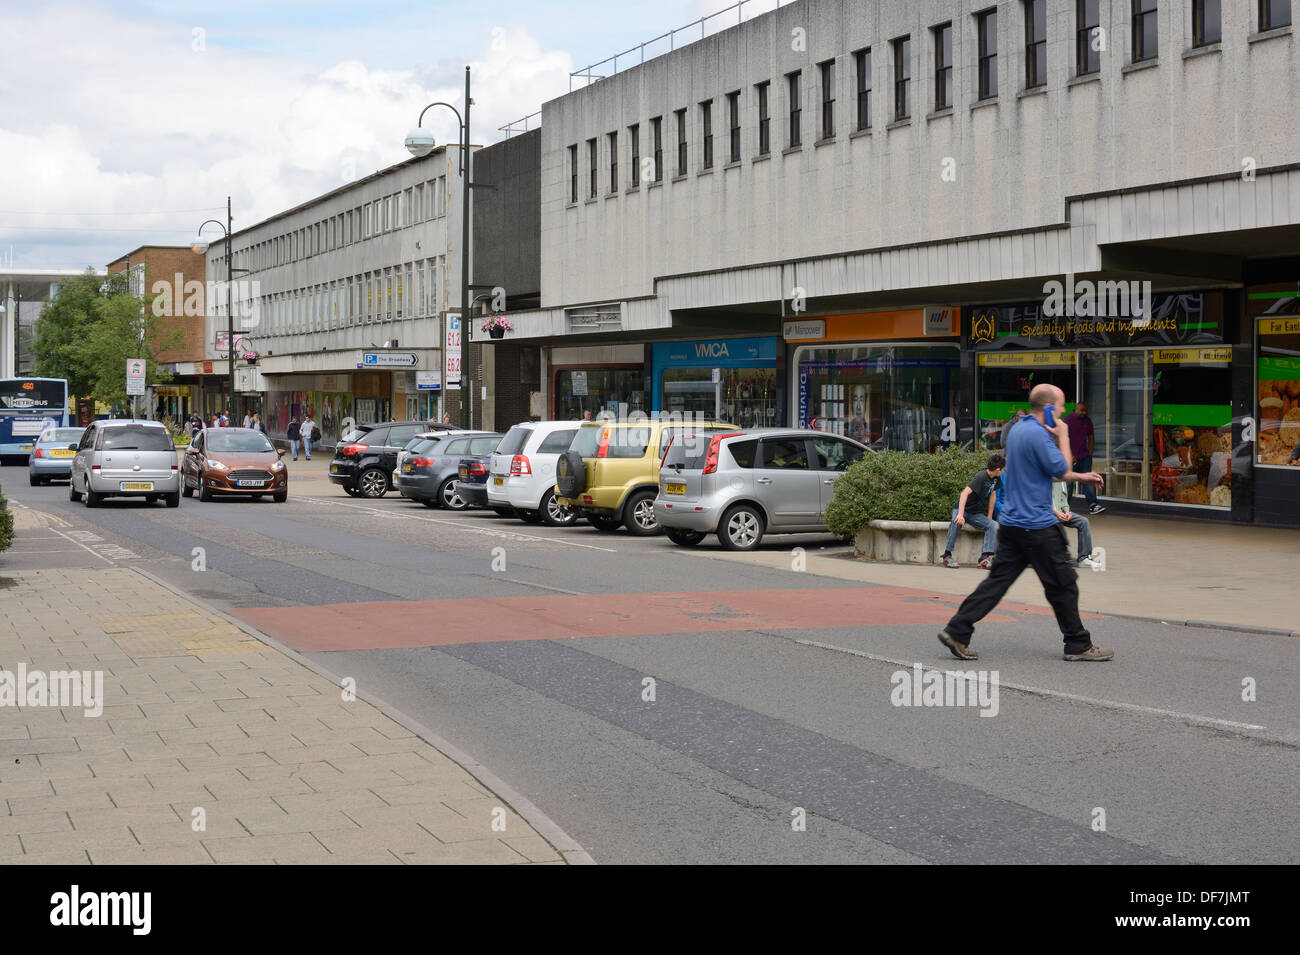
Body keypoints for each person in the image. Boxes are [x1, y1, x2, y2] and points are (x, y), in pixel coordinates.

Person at [938, 383, 1113, 663]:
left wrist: (1082, 477)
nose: (1064, 411)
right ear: (1047, 407)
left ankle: (957, 630)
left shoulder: (1019, 430)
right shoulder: (1040, 435)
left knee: (996, 583)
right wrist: (1064, 434)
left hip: (1012, 525)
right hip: (1038, 526)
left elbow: (1041, 473)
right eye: (1060, 406)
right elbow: (1062, 468)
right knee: (1064, 584)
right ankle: (1078, 644)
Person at [940, 454, 1004, 569]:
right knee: (956, 522)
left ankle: (985, 558)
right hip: (962, 509)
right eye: (1003, 469)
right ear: (998, 469)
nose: (1003, 471)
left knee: (992, 525)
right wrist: (960, 514)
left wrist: (989, 516)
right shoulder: (981, 477)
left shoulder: (996, 478)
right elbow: (964, 493)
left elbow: (993, 495)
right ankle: (947, 555)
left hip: (975, 513)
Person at [1062, 399, 1105, 514]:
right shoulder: (1067, 420)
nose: (1084, 413)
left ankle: (1093, 505)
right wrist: (1070, 455)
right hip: (1070, 458)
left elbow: (1091, 437)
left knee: (1088, 480)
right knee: (1068, 483)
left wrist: (1090, 453)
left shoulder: (1088, 421)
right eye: (1081, 410)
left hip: (1084, 457)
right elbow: (1063, 440)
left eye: (1086, 411)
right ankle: (1065, 507)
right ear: (1076, 409)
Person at [1053, 479, 1098, 568]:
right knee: (1057, 527)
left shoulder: (1061, 478)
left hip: (1060, 511)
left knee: (1083, 521)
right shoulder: (1044, 475)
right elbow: (1041, 501)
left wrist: (1067, 512)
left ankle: (1084, 557)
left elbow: (1063, 498)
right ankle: (1060, 557)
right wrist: (1056, 513)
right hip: (1046, 513)